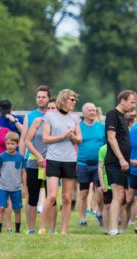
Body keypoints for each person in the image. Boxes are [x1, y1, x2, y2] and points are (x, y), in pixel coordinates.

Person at [40, 90, 82, 234]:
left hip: (70, 160)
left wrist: (71, 136)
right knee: (51, 196)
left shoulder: (75, 117)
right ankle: (42, 228)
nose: (74, 102)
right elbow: (45, 139)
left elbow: (79, 139)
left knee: (66, 197)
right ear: (63, 100)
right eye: (71, 99)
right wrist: (62, 136)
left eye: (75, 100)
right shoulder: (50, 116)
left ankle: (63, 230)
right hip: (53, 159)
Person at [104, 90, 137, 236]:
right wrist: (121, 159)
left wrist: (128, 160)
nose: (134, 105)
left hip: (123, 163)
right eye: (132, 101)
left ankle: (116, 229)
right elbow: (111, 139)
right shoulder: (112, 114)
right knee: (117, 195)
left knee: (122, 197)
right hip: (115, 162)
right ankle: (113, 229)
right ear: (122, 100)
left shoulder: (123, 117)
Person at [22, 85, 52, 234]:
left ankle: (50, 229)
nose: (40, 99)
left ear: (49, 99)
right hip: (33, 161)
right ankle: (31, 229)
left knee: (50, 197)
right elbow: (24, 140)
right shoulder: (31, 116)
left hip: (52, 162)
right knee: (32, 197)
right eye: (38, 96)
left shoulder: (55, 116)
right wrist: (21, 160)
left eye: (43, 97)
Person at [76, 103, 105, 227]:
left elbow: (105, 145)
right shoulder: (78, 127)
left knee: (100, 190)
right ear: (84, 113)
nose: (92, 112)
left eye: (94, 110)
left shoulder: (101, 127)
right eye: (90, 110)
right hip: (82, 164)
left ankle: (100, 212)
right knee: (83, 193)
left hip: (98, 165)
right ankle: (82, 218)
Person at [0, 132, 26, 233]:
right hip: (3, 187)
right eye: (8, 143)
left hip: (16, 188)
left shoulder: (21, 158)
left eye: (12, 144)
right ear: (5, 143)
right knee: (1, 207)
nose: (10, 146)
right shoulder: (1, 157)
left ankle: (17, 230)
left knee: (17, 209)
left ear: (17, 144)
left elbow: (23, 173)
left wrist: (24, 188)